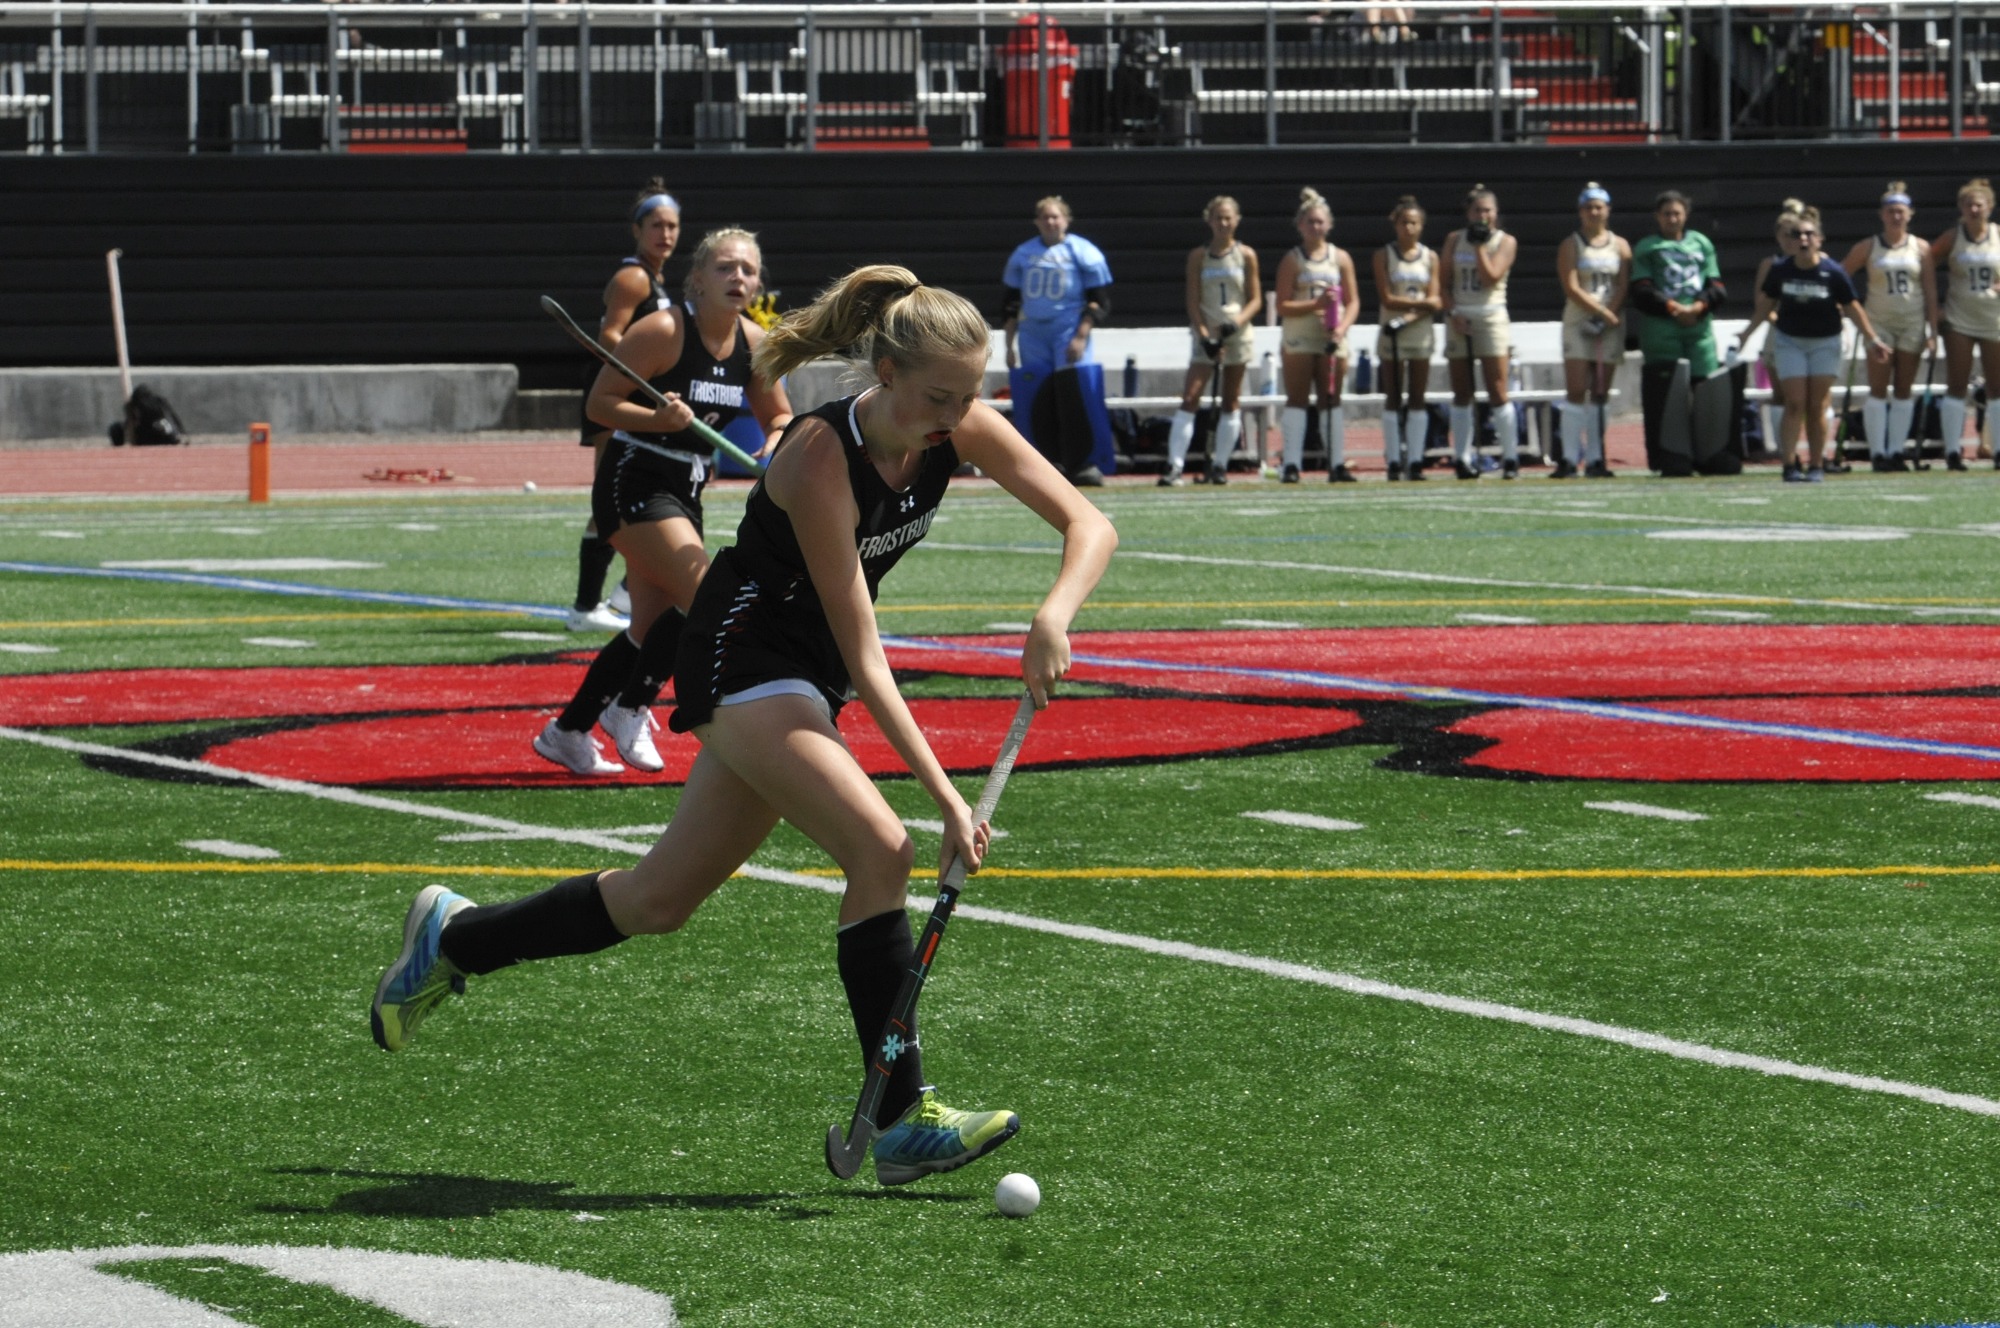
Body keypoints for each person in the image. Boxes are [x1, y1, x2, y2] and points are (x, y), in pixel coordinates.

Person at [373, 264, 1117, 1189]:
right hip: (743, 657)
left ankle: (454, 938)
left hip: (810, 675)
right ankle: (900, 1117)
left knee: (656, 901)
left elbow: (1090, 523)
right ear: (882, 372)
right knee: (882, 850)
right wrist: (944, 798)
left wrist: (1055, 615)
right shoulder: (815, 457)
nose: (955, 418)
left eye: (969, 397)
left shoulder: (953, 420)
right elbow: (867, 649)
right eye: (937, 397)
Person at [533, 228, 793, 777]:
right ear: (696, 279)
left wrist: (772, 447)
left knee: (650, 625)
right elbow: (600, 405)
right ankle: (631, 707)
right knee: (705, 597)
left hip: (688, 489)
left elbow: (779, 415)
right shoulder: (665, 330)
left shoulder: (754, 342)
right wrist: (659, 419)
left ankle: (568, 731)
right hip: (635, 480)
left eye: (747, 270)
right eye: (725, 268)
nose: (738, 278)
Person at [568, 182, 682, 633]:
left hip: (637, 395)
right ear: (637, 230)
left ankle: (622, 594)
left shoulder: (656, 279)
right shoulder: (633, 277)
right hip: (618, 395)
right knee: (610, 499)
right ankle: (588, 606)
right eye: (656, 225)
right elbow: (611, 336)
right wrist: (646, 370)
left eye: (673, 226)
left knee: (633, 493)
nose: (666, 234)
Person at [1753, 210, 1891, 482]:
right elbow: (1765, 306)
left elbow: (1852, 306)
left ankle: (1816, 464)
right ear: (1790, 241)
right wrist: (1746, 334)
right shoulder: (1781, 270)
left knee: (1817, 405)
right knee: (1795, 403)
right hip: (1790, 341)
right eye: (1797, 235)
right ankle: (1789, 464)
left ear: (1820, 239)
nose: (1803, 239)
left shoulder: (1833, 272)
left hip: (1825, 342)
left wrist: (1872, 339)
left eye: (1809, 234)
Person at [1001, 196, 1115, 486]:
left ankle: (1083, 462)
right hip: (1033, 333)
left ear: (1066, 219)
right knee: (1040, 398)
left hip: (1068, 329)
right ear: (1037, 221)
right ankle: (1048, 463)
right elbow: (1011, 304)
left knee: (1075, 398)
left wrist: (1081, 335)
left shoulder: (1082, 251)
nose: (1051, 222)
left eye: (1056, 217)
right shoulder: (1024, 253)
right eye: (1045, 217)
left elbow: (1098, 301)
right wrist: (1009, 344)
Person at [1162, 196, 1264, 485]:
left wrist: (1236, 322)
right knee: (1191, 397)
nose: (1223, 223)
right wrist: (1205, 335)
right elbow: (1193, 300)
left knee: (1231, 400)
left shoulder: (1246, 255)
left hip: (1237, 334)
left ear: (1237, 220)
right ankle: (1174, 466)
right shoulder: (1199, 256)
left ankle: (1220, 465)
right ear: (1209, 221)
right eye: (1218, 217)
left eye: (1228, 217)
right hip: (1207, 335)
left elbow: (1255, 299)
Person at [1843, 183, 1939, 472]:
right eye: (1890, 212)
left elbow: (1931, 292)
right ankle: (1878, 453)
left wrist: (1932, 331)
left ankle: (1897, 451)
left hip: (1911, 323)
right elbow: (1840, 276)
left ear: (1909, 215)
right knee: (1877, 388)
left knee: (1903, 389)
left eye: (1900, 212)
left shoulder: (1921, 248)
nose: (1896, 217)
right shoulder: (1868, 247)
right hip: (1879, 324)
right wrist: (1845, 313)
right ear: (1882, 215)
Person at [1628, 190, 1725, 472]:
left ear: (1686, 215)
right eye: (1667, 213)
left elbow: (1716, 285)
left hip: (1699, 330)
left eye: (1677, 213)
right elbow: (1642, 289)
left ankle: (1709, 454)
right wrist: (1673, 308)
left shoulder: (1701, 243)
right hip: (1662, 330)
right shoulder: (1648, 246)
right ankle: (1669, 456)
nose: (1672, 218)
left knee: (1705, 390)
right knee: (1667, 394)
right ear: (1657, 217)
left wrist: (1697, 308)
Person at [1273, 187, 1361, 483]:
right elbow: (1283, 304)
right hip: (1300, 335)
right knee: (1297, 399)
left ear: (1329, 224)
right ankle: (1292, 465)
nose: (1315, 227)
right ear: (1300, 225)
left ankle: (1335, 463)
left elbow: (1353, 301)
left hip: (1330, 338)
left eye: (1320, 222)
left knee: (1331, 399)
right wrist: (1316, 304)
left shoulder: (1341, 258)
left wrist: (1341, 327)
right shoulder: (1293, 259)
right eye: (1310, 222)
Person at [1441, 185, 1520, 479]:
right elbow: (1444, 284)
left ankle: (1510, 457)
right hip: (1460, 315)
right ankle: (1462, 457)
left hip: (1491, 315)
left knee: (1497, 389)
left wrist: (1478, 247)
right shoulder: (1453, 240)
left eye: (1487, 210)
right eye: (1477, 210)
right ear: (1468, 213)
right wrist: (1452, 313)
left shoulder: (1505, 241)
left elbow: (1490, 277)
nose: (1482, 216)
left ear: (1496, 213)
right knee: (1462, 392)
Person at [1554, 182, 1630, 479]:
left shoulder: (1620, 245)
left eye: (1598, 207)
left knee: (1600, 392)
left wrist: (1610, 314)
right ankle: (1570, 458)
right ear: (1580, 212)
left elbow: (1622, 283)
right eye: (1588, 207)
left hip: (1609, 322)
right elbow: (1571, 286)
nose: (1593, 212)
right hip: (1580, 320)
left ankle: (1597, 458)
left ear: (1607, 210)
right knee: (1576, 389)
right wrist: (1600, 312)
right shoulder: (1571, 244)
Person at [1929, 177, 2000, 471]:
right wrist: (1935, 308)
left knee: (1997, 386)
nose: (1974, 209)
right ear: (1961, 207)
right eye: (1969, 204)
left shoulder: (1997, 235)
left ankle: (1998, 449)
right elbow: (1924, 267)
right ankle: (1952, 451)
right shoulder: (1952, 237)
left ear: (1990, 207)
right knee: (1957, 384)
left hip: (1994, 319)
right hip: (1959, 318)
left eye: (1979, 204)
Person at [1374, 195, 1442, 482]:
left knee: (1417, 397)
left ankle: (1415, 460)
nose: (1409, 228)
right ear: (1396, 225)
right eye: (1404, 223)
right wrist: (1421, 305)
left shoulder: (1430, 257)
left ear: (1422, 226)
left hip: (1420, 332)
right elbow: (1387, 298)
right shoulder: (1384, 255)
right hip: (1392, 331)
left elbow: (1436, 300)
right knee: (1393, 396)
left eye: (1414, 223)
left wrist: (1413, 313)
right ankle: (1393, 460)